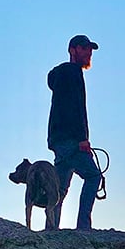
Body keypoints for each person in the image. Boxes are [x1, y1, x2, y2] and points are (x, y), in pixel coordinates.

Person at [47, 34, 103, 230]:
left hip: (58, 140)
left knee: (60, 189)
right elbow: (75, 107)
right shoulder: (73, 72)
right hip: (72, 140)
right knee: (93, 176)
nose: (89, 53)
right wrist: (82, 138)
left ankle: (51, 229)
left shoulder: (61, 75)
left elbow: (63, 107)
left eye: (90, 49)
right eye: (84, 48)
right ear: (73, 50)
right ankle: (83, 227)